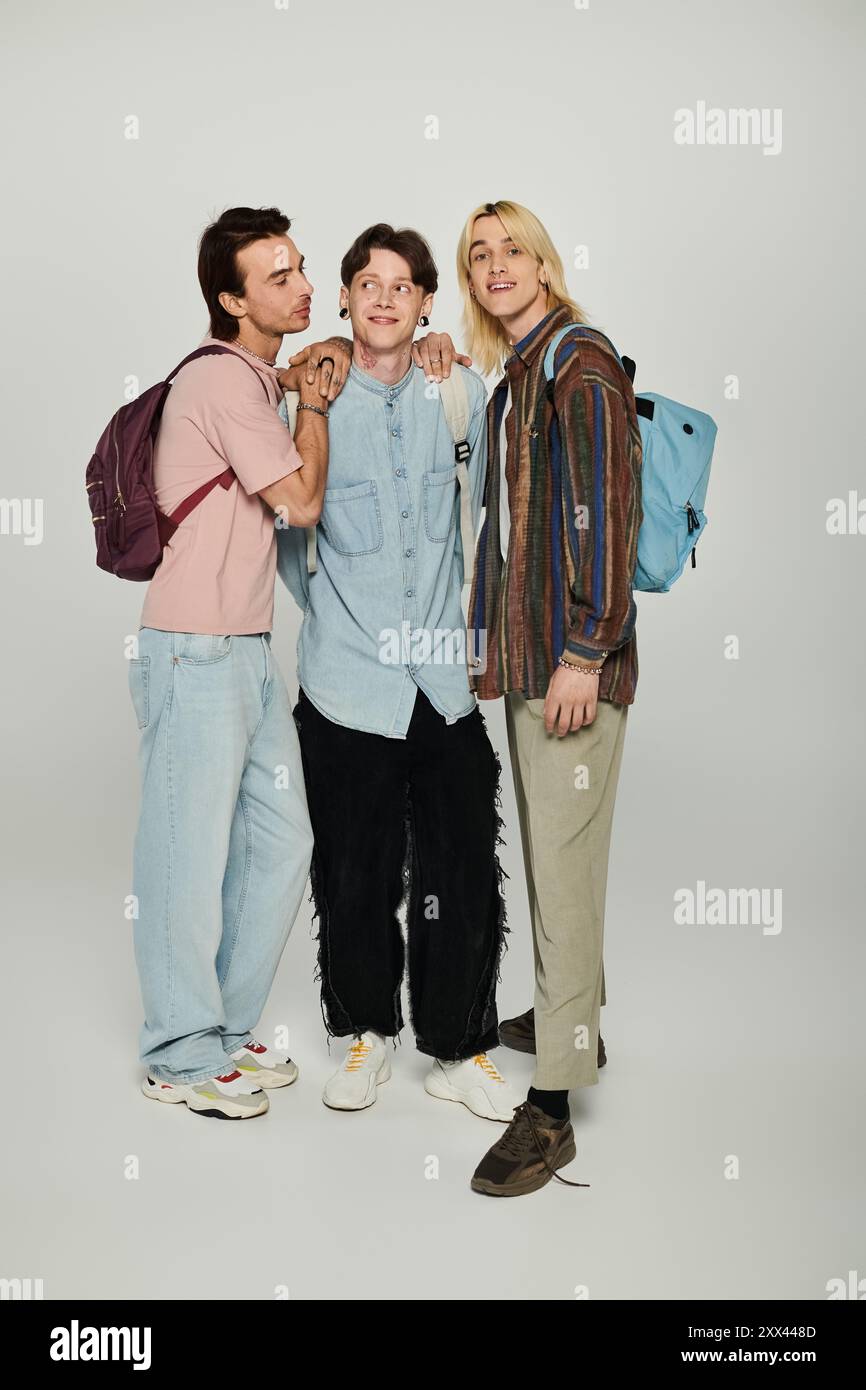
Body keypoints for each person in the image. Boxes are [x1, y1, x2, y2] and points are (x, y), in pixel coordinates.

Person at [276, 223, 519, 1121]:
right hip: (345, 680)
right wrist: (344, 625)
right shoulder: (310, 395)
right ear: (344, 299)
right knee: (354, 868)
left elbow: (483, 515)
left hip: (441, 678)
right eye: (365, 284)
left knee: (459, 868)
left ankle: (459, 1046)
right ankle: (364, 1034)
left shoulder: (457, 388)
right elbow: (294, 547)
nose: (383, 298)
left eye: (402, 286)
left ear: (425, 304)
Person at [129, 205, 353, 1120]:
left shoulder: (257, 375)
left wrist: (315, 365)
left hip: (247, 652)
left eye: (301, 268)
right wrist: (314, 399)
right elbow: (300, 503)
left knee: (283, 839)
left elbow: (327, 350)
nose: (303, 286)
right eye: (279, 277)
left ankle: (220, 1030)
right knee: (187, 854)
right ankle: (178, 1052)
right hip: (195, 652)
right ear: (231, 298)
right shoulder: (226, 383)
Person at [457, 201, 643, 1194]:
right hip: (529, 663)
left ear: (542, 261)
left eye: (510, 250)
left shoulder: (578, 365)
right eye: (478, 255)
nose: (494, 265)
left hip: (570, 665)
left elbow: (608, 515)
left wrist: (581, 650)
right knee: (548, 858)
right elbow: (507, 529)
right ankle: (571, 1012)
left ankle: (554, 1107)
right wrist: (502, 650)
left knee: (562, 872)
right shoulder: (515, 376)